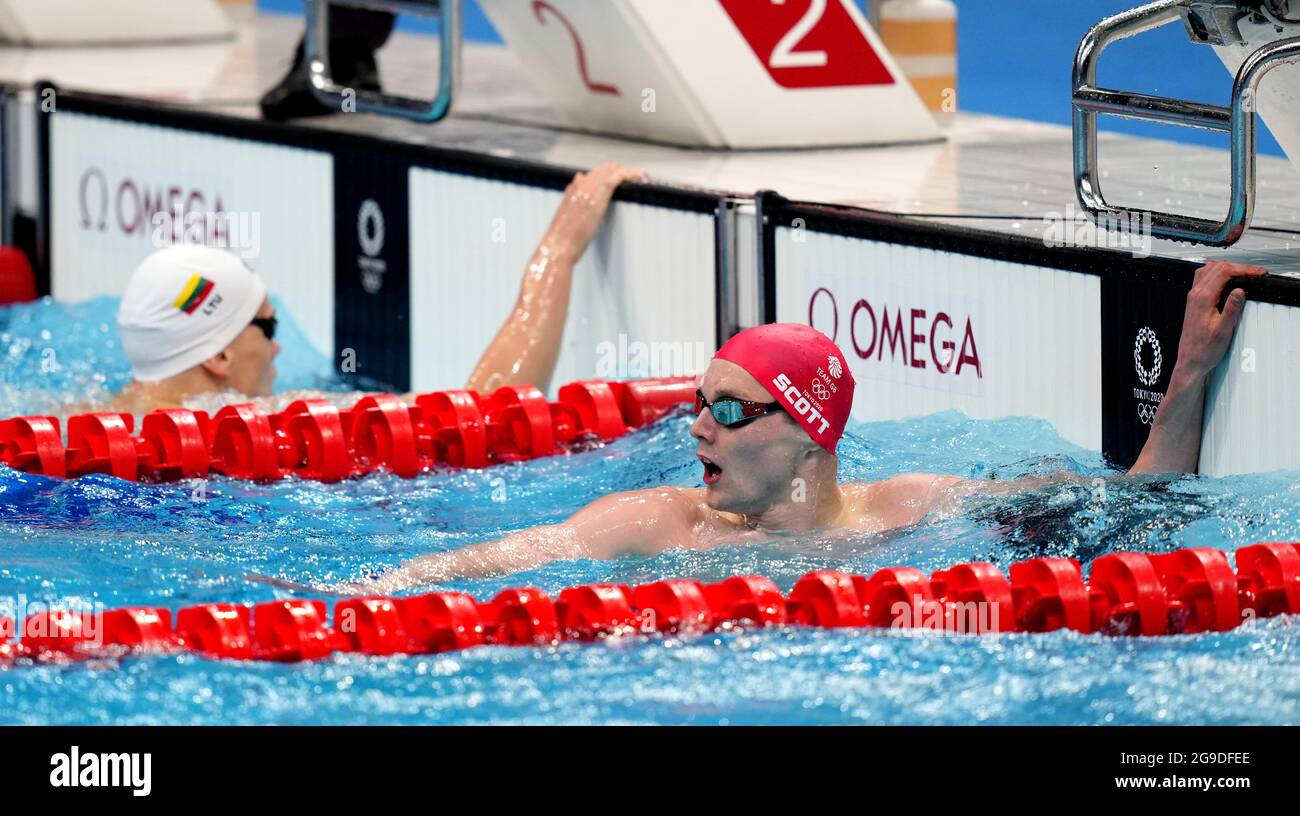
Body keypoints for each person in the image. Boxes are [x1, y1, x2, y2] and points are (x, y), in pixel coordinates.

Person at [322, 260, 1266, 594]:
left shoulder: (912, 511)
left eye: (729, 410)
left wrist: (1187, 373)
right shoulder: (661, 524)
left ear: (811, 431)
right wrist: (362, 587)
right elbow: (501, 558)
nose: (698, 429)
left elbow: (1147, 507)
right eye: (698, 404)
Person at [105, 162, 646, 415]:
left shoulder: (79, 420)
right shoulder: (266, 420)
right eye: (266, 326)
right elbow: (485, 410)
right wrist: (560, 249)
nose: (276, 346)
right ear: (219, 355)